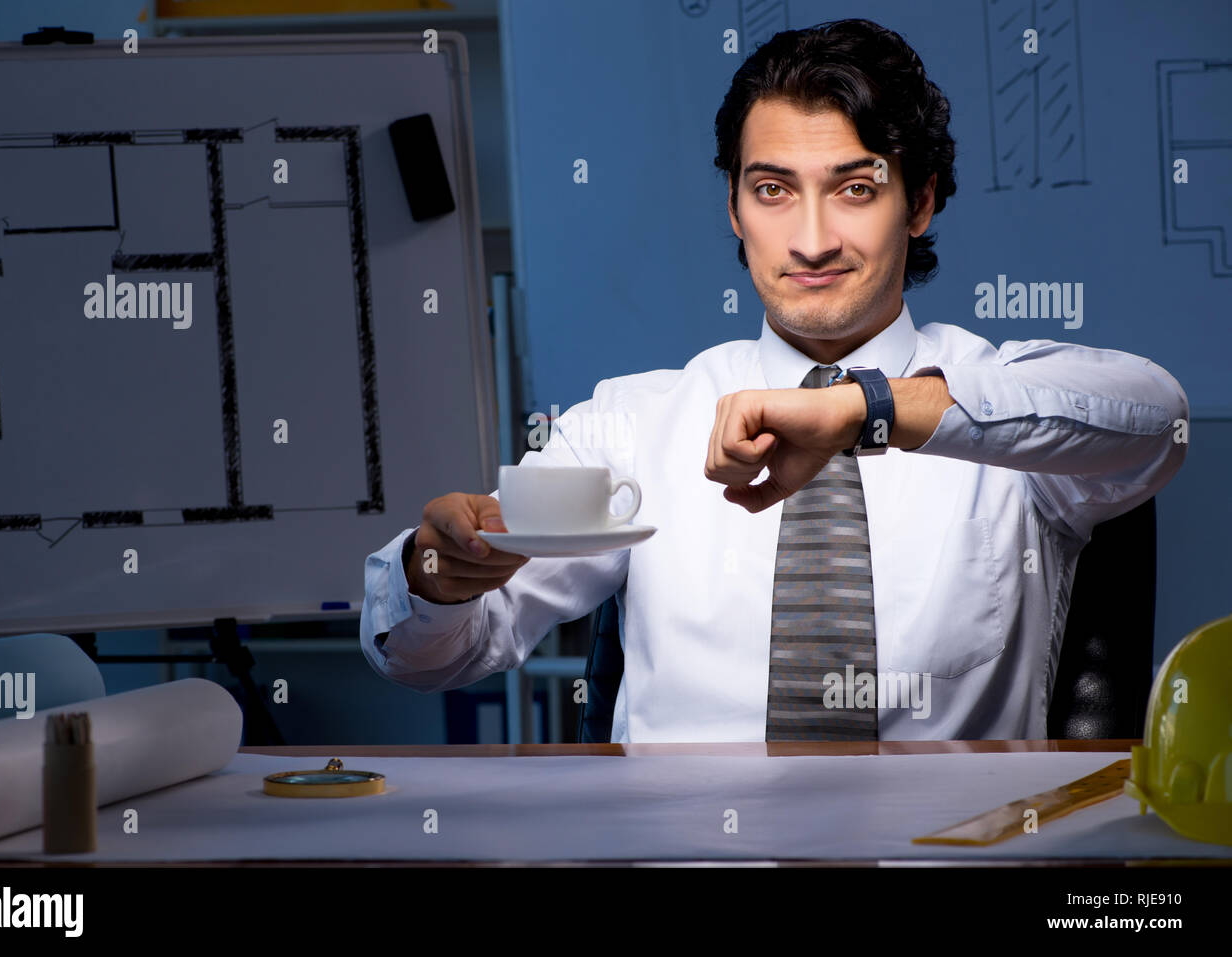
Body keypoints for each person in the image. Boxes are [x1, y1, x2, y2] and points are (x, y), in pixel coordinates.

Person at [359, 19, 1188, 743]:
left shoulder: (996, 408)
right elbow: (438, 653)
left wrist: (872, 409)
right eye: (773, 190)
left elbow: (1157, 418)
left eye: (856, 189)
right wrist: (436, 573)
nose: (813, 239)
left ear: (922, 199)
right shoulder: (636, 422)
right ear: (734, 207)